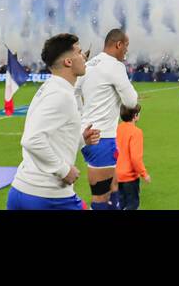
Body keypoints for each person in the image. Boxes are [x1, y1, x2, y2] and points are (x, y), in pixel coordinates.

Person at [8, 33, 99, 210]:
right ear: (68, 62)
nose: (84, 57)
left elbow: (52, 133)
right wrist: (64, 170)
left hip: (22, 191)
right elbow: (31, 139)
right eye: (79, 52)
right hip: (47, 197)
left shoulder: (51, 87)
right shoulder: (61, 95)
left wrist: (80, 137)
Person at [77, 28, 139, 210]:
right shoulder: (115, 66)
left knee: (114, 185)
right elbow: (131, 101)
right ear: (118, 45)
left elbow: (74, 91)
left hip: (86, 135)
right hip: (102, 137)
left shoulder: (89, 64)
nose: (126, 50)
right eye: (126, 46)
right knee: (101, 197)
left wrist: (83, 114)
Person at [115, 104, 149, 210]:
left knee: (120, 204)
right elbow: (135, 158)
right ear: (135, 116)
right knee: (132, 206)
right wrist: (144, 174)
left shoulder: (117, 129)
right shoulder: (136, 132)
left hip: (115, 175)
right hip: (129, 177)